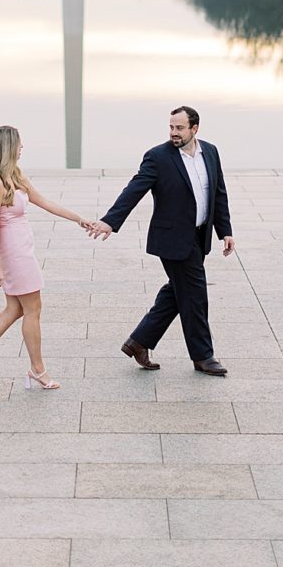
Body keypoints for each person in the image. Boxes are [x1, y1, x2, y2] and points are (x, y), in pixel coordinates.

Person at [0, 126, 101, 390]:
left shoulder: (14, 175)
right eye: (18, 144)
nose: (22, 148)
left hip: (22, 246)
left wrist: (78, 219)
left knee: (15, 309)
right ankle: (37, 370)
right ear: (7, 148)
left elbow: (44, 201)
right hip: (13, 253)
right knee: (33, 309)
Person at [91, 105, 235, 376]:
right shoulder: (158, 157)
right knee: (195, 295)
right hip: (172, 239)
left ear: (195, 129)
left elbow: (218, 193)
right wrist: (110, 220)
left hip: (198, 235)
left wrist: (224, 231)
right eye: (171, 127)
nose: (174, 133)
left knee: (177, 292)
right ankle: (203, 357)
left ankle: (139, 342)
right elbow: (135, 188)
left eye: (179, 128)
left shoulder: (211, 153)